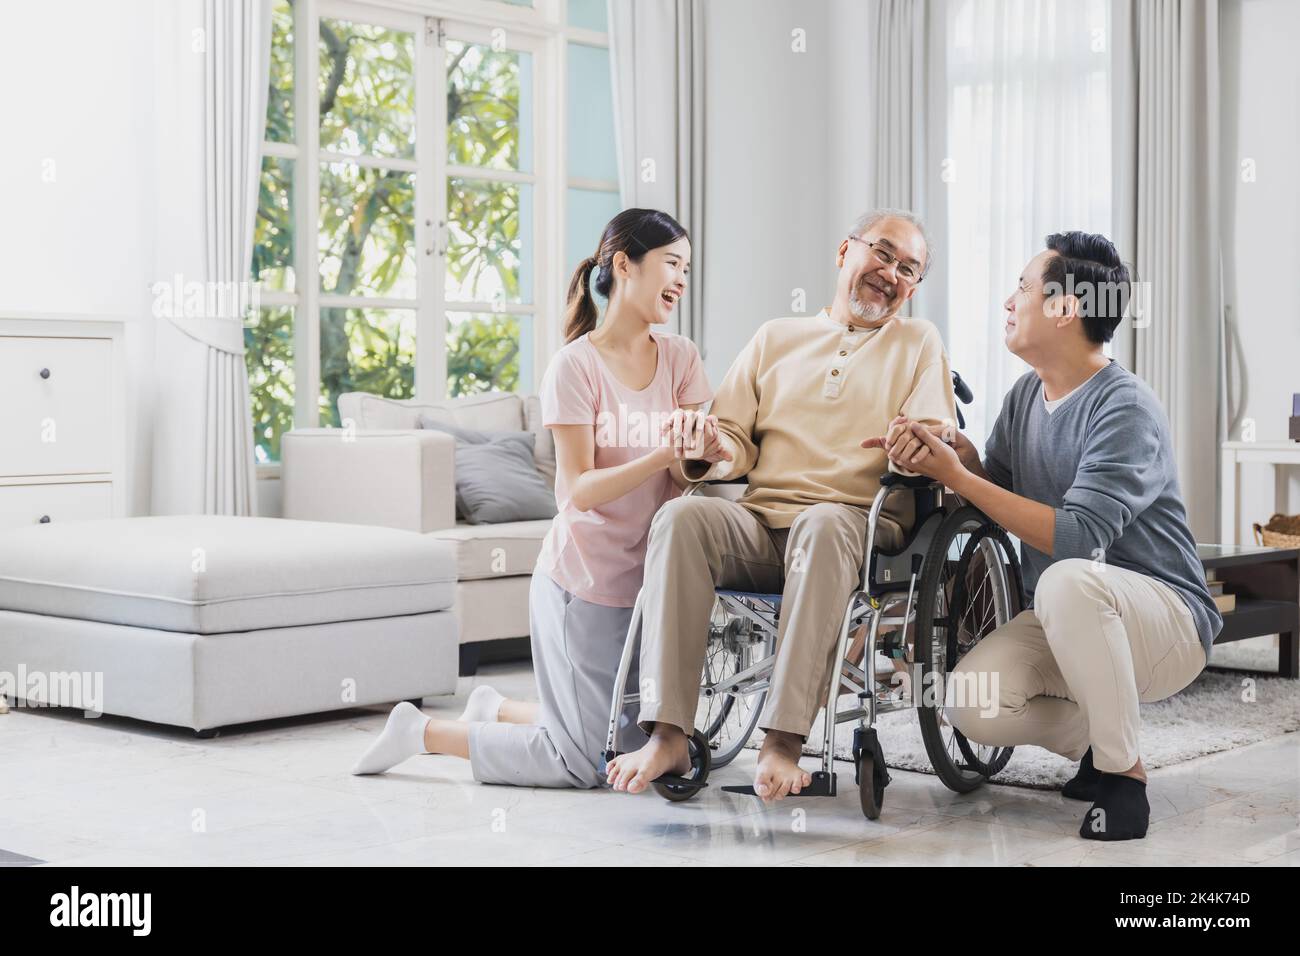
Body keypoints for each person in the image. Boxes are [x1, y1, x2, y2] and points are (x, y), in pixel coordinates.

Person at [351, 208, 726, 787]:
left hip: (651, 580)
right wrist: (661, 454)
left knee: (635, 740)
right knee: (583, 764)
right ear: (624, 265)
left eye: (687, 268)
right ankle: (421, 731)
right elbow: (577, 489)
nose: (681, 279)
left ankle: (495, 709)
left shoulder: (681, 358)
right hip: (583, 585)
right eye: (671, 264)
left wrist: (706, 454)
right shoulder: (575, 366)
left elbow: (688, 477)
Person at [871, 231, 1220, 841]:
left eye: (1024, 288)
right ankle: (1101, 741)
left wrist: (960, 476)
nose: (1010, 301)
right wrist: (957, 456)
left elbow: (1078, 537)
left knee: (1066, 579)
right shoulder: (1027, 394)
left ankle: (1124, 778)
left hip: (1163, 620)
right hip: (1072, 614)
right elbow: (997, 493)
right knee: (971, 701)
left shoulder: (1125, 406)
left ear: (1066, 308)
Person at [605, 209, 958, 800]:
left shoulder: (917, 341)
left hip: (853, 526)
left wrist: (913, 442)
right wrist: (713, 443)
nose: (892, 273)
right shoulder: (775, 337)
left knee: (820, 524)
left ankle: (783, 741)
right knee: (682, 515)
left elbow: (933, 431)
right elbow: (731, 442)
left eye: (909, 269)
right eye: (883, 254)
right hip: (763, 524)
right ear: (845, 251)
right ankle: (668, 733)